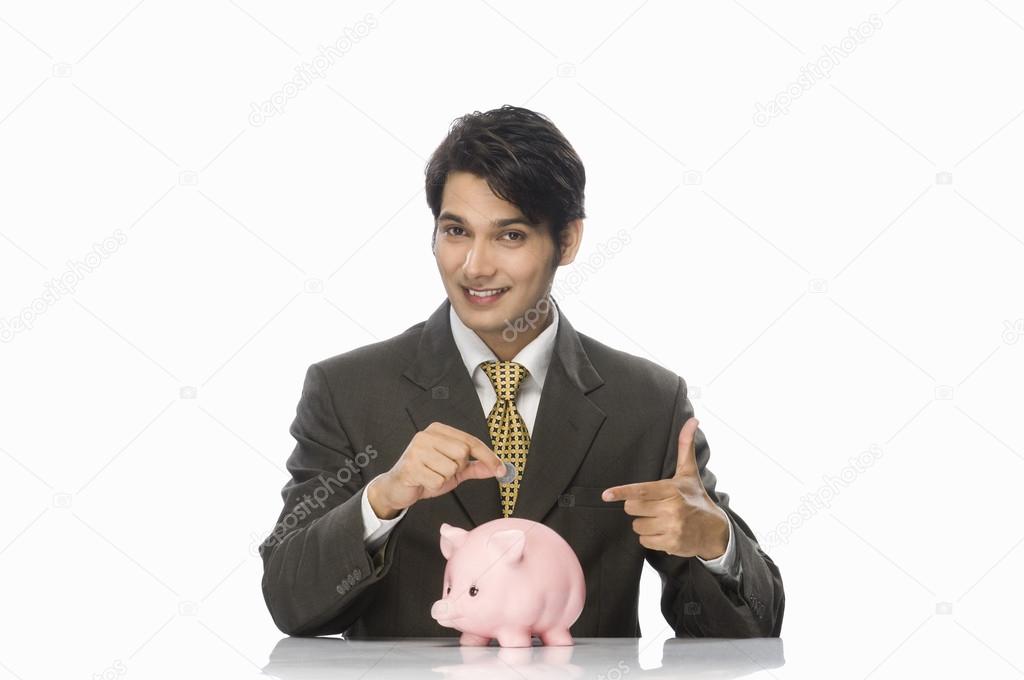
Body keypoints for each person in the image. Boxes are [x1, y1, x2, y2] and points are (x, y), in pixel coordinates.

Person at [259, 105, 784, 638]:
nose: (475, 266)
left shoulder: (647, 402)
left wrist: (716, 544)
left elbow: (752, 633)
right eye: (456, 230)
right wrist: (381, 500)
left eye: (510, 236)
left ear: (568, 241)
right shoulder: (348, 391)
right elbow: (289, 603)